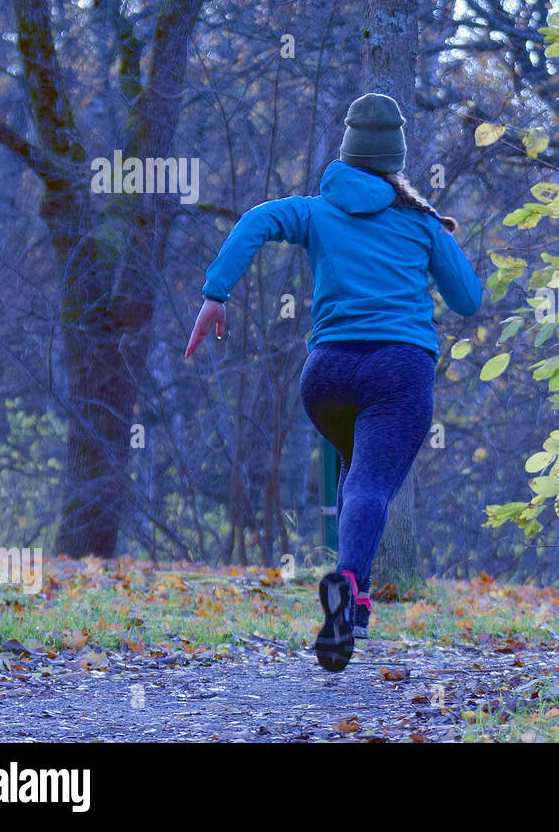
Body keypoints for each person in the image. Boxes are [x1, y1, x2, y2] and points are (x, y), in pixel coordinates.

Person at [185, 93, 483, 671]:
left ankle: (359, 604)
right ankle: (348, 586)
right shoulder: (420, 222)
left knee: (356, 480)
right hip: (397, 369)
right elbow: (468, 300)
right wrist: (438, 234)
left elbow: (256, 220)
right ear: (396, 160)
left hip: (326, 377)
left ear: (346, 155)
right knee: (371, 486)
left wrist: (216, 295)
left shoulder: (315, 212)